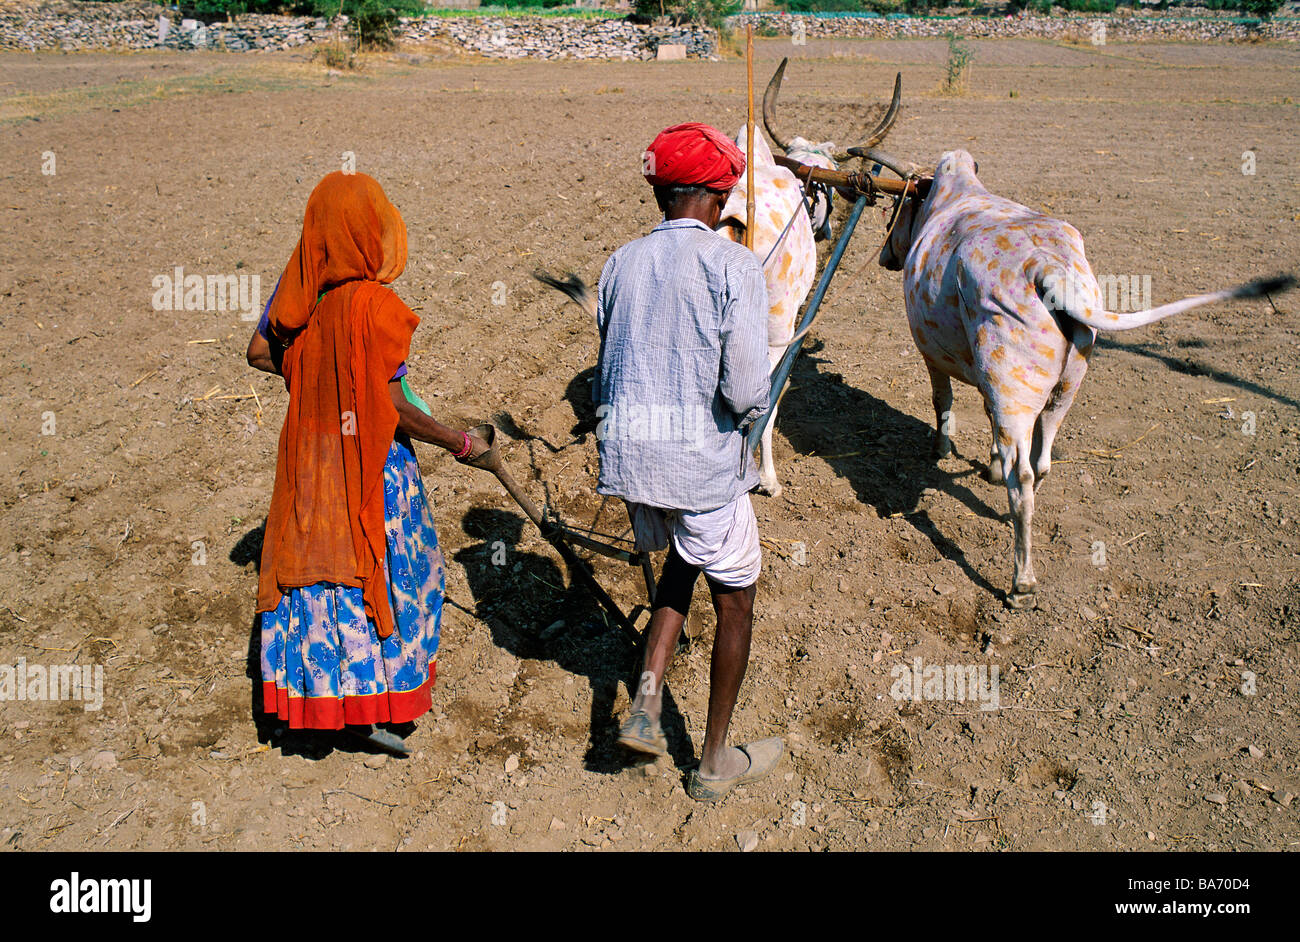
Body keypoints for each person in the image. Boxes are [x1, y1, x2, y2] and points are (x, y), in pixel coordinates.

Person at [246, 171, 487, 755]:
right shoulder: (375, 307)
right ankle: (370, 707)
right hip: (370, 465)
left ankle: (314, 703)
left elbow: (258, 352)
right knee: (390, 571)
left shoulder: (300, 291)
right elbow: (396, 409)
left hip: (309, 456)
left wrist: (315, 379)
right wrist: (459, 442)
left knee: (314, 573)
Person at [597, 122, 781, 801]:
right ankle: (713, 762)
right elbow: (741, 390)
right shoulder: (735, 265)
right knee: (736, 600)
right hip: (700, 469)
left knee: (682, 557)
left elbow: (607, 370)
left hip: (634, 467)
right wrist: (758, 404)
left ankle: (646, 702)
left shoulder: (620, 262)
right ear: (715, 195)